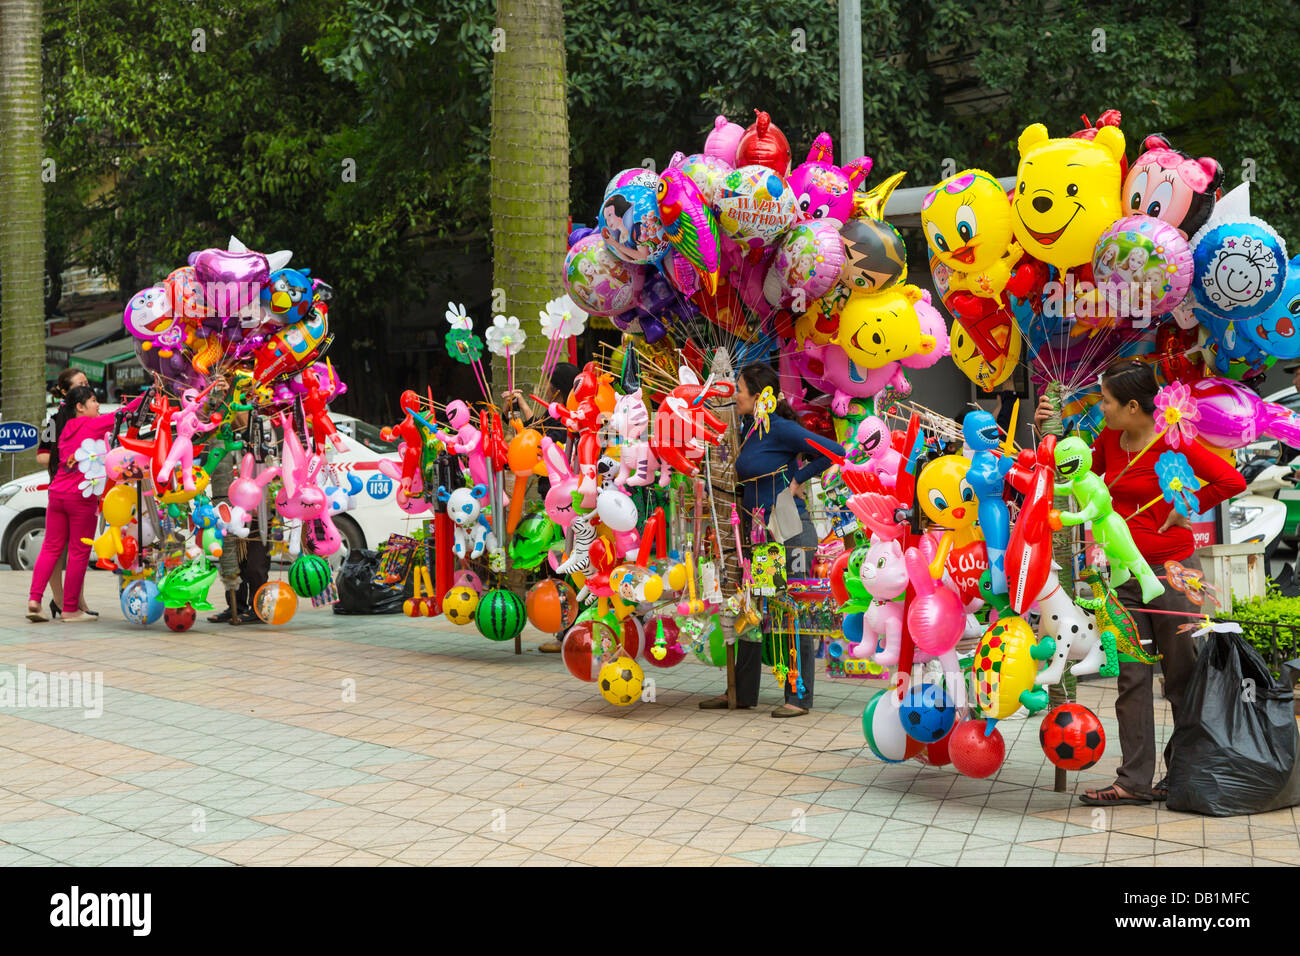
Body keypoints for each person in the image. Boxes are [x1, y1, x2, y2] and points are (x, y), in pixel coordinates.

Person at [1034, 361, 1245, 805]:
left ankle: (1184, 773)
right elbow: (1071, 466)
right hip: (1125, 577)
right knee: (1130, 676)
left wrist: (1188, 503)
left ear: (1133, 406)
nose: (1102, 408)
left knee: (1182, 677)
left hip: (1174, 574)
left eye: (1107, 401)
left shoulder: (1176, 442)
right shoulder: (1111, 439)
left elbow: (1231, 479)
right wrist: (1046, 430)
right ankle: (1133, 781)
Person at [699, 362, 843, 717]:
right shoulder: (750, 430)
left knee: (793, 611)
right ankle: (744, 692)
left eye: (740, 388)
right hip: (762, 535)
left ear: (759, 394)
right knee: (757, 609)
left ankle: (799, 697)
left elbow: (833, 450)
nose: (735, 394)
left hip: (791, 532)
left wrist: (799, 480)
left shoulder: (781, 429)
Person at [27, 386, 143, 622]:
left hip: (57, 494)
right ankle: (70, 609)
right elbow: (124, 412)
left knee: (51, 547)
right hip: (80, 498)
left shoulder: (66, 427)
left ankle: (34, 600)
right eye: (92, 401)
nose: (97, 405)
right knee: (79, 552)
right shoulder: (91, 424)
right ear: (80, 407)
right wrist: (149, 394)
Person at [502, 362, 579, 653]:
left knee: (563, 565)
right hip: (559, 502)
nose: (545, 385)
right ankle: (565, 631)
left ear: (557, 387)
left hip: (563, 506)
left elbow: (542, 436)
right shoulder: (560, 412)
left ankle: (566, 631)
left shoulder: (565, 418)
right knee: (561, 563)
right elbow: (538, 427)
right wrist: (520, 403)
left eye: (550, 381)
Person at [34, 369, 98, 618]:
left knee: (78, 549)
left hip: (85, 489)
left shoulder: (92, 417)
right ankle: (60, 600)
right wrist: (70, 458)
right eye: (80, 384)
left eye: (87, 383)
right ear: (64, 391)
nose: (86, 388)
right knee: (55, 548)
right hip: (62, 487)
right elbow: (41, 455)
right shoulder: (54, 421)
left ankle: (77, 601)